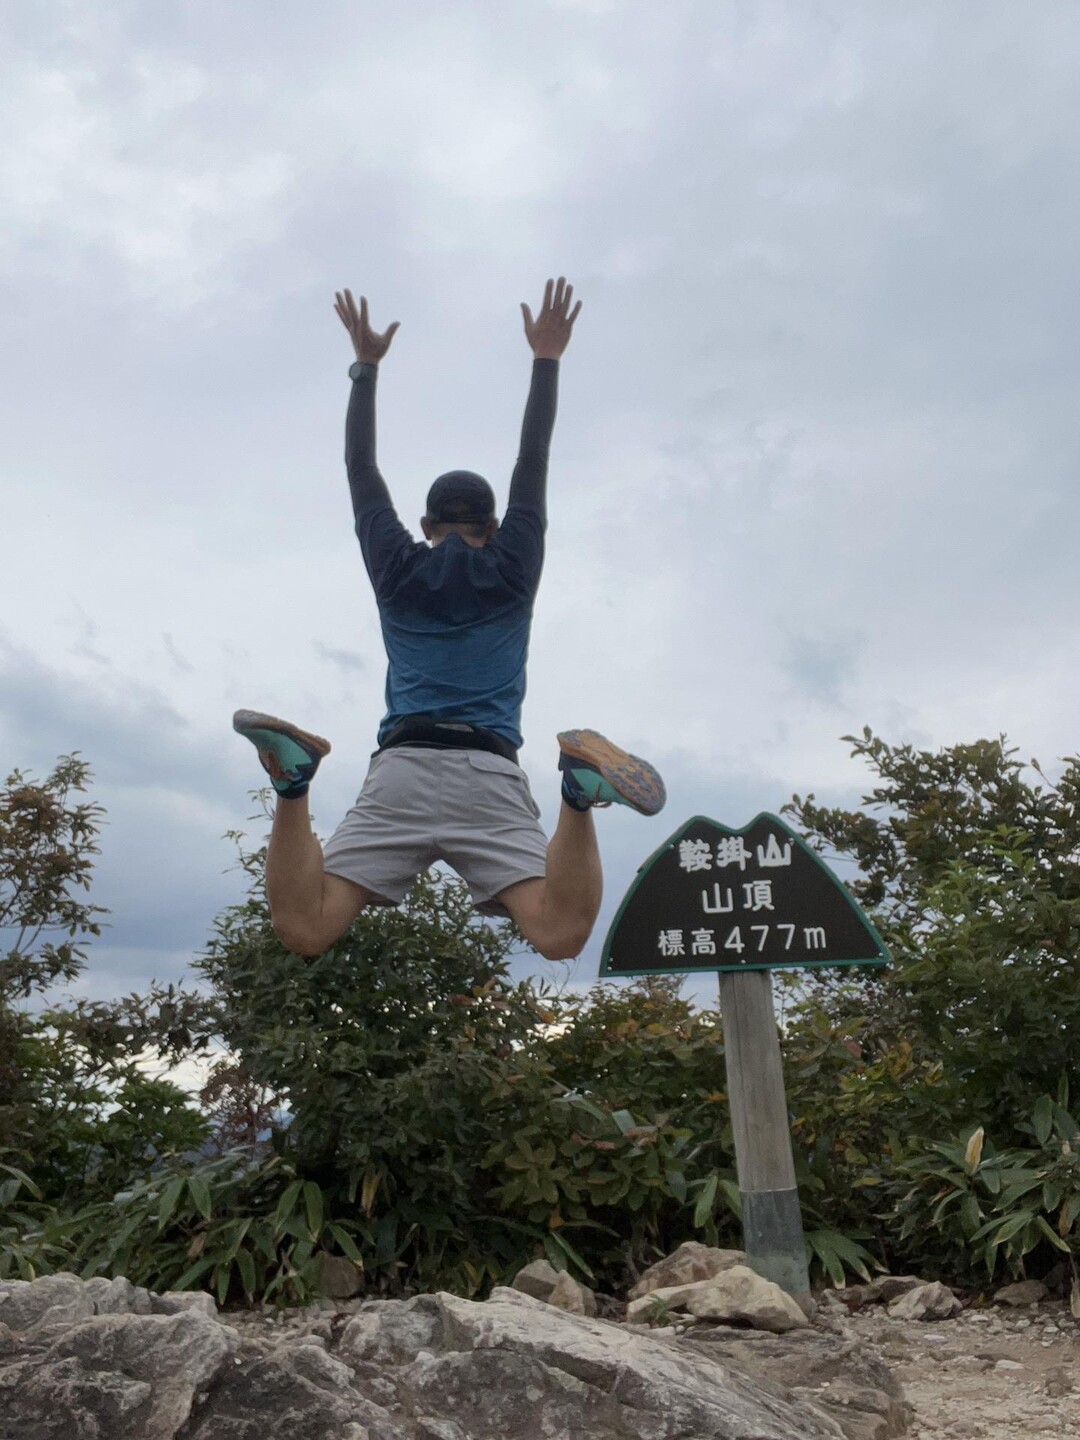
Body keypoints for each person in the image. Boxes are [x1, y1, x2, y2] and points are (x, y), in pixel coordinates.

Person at [234, 277, 664, 961]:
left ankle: (293, 783)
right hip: (486, 770)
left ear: (426, 524)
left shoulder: (397, 567)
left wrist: (365, 367)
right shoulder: (513, 563)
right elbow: (534, 460)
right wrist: (546, 357)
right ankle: (578, 794)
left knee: (306, 928)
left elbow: (359, 467)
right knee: (558, 933)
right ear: (494, 526)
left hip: (402, 767)